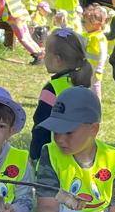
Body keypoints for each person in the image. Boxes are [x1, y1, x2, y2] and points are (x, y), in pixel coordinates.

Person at [30, 27, 95, 161]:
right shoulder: (83, 86)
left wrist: (36, 155)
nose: (44, 56)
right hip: (79, 154)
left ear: (57, 59)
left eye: (46, 53)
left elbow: (41, 125)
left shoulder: (52, 89)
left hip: (53, 156)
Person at [81, 4, 111, 98]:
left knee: (95, 85)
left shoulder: (98, 38)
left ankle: (96, 103)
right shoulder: (87, 35)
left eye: (85, 22)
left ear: (96, 24)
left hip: (94, 68)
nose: (83, 24)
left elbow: (102, 54)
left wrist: (99, 68)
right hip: (85, 67)